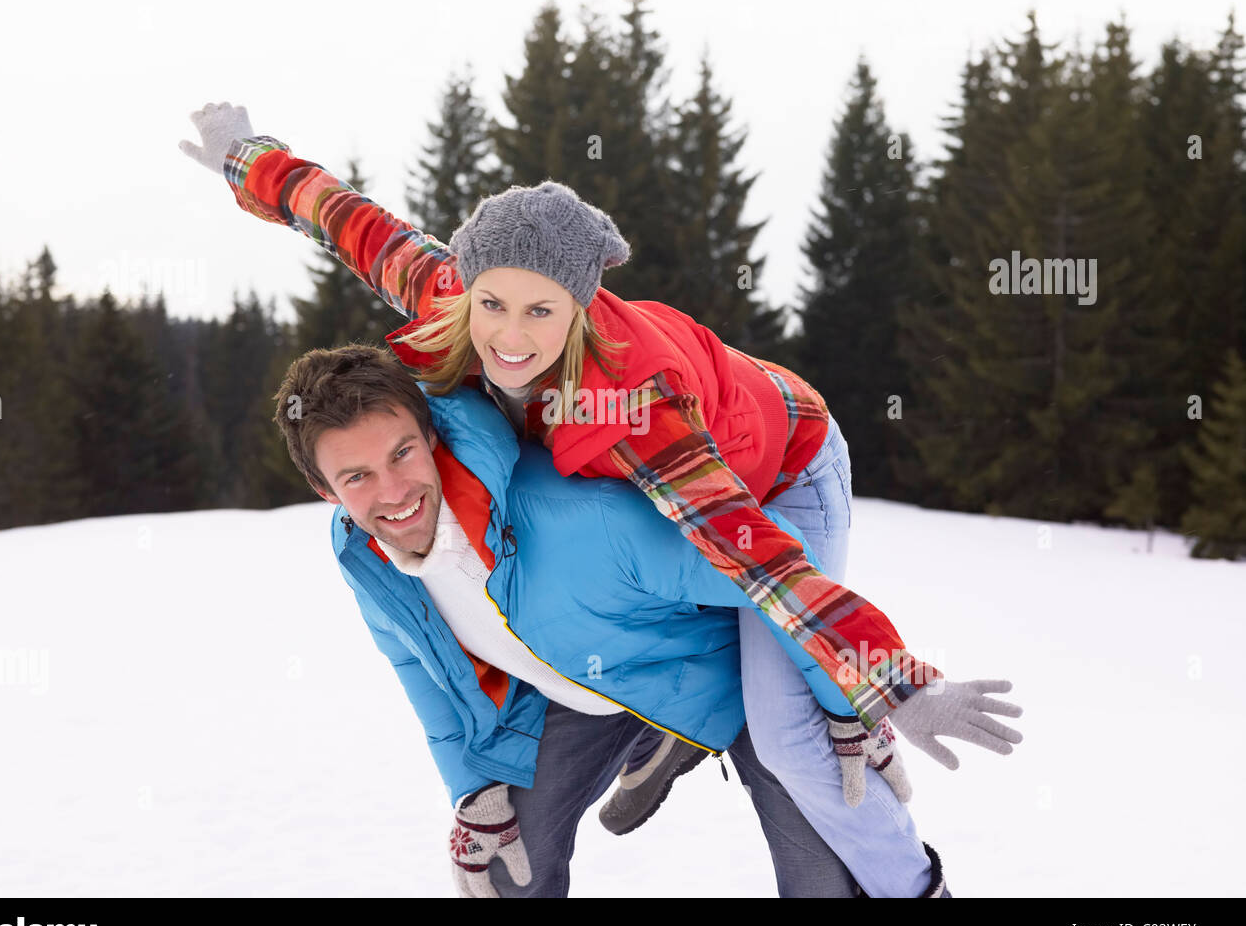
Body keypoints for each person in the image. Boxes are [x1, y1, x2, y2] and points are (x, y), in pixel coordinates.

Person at [180, 101, 1023, 855]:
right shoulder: (449, 299)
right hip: (687, 478)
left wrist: (890, 678)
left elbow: (765, 561)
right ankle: (670, 722)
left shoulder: (632, 405)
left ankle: (885, 818)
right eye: (493, 304)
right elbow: (347, 219)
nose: (509, 336)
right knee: (578, 534)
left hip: (785, 465)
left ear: (580, 310)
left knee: (788, 734)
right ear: (466, 288)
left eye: (541, 311)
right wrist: (241, 157)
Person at [271, 340, 950, 896]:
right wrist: (474, 790)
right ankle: (655, 736)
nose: (393, 493)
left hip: (727, 665)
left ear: (429, 435)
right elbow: (417, 668)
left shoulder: (579, 523)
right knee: (512, 866)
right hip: (591, 689)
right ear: (324, 490)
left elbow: (770, 577)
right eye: (356, 477)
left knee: (823, 878)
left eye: (401, 453)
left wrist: (850, 694)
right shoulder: (362, 552)